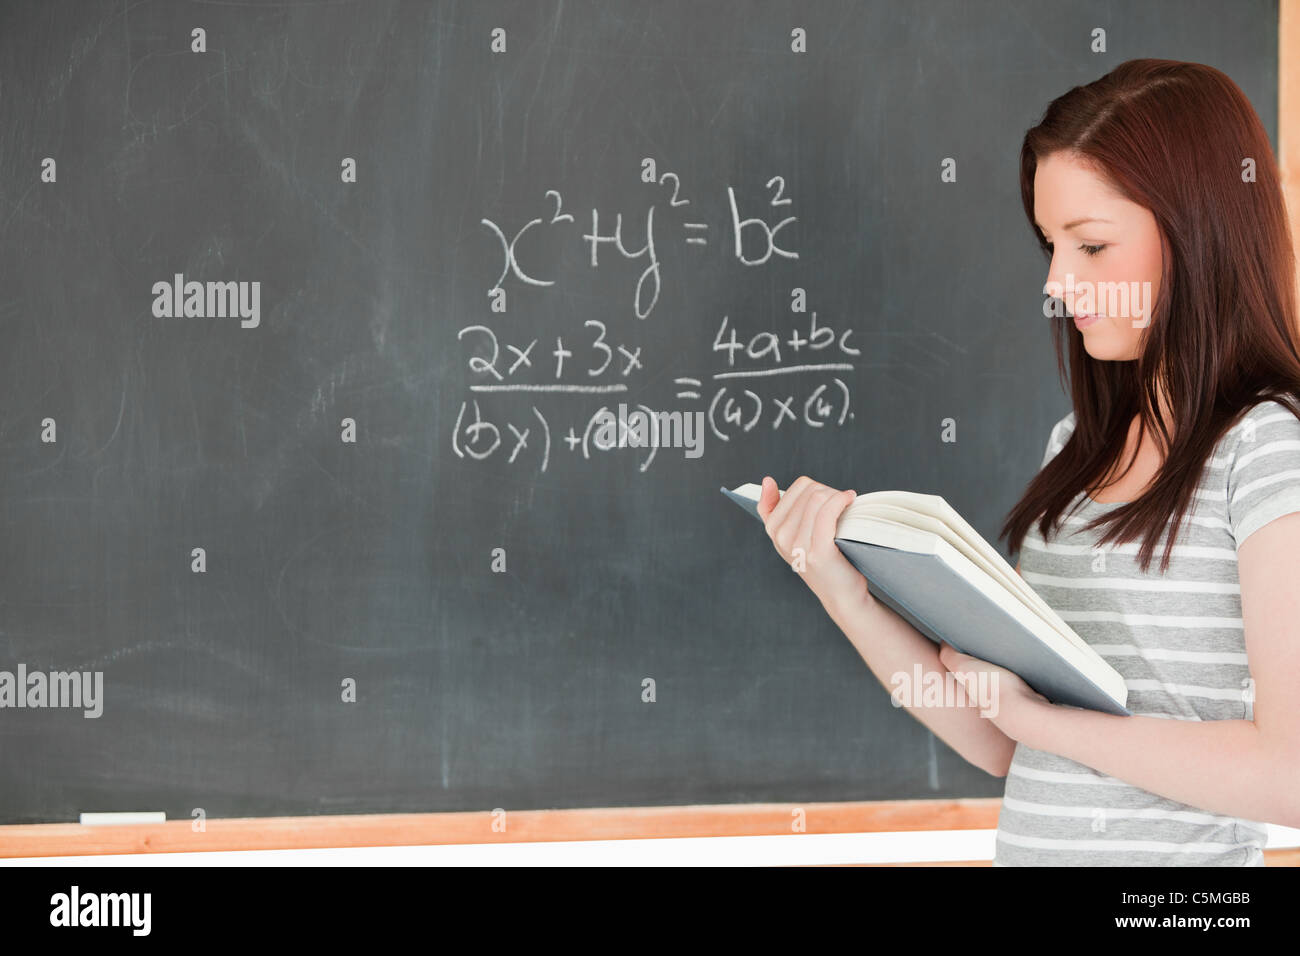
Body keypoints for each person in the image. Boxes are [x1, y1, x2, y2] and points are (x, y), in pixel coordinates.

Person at [757, 59, 1300, 866]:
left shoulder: (1266, 451)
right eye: (1051, 245)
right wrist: (849, 598)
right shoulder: (1075, 449)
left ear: (1198, 233)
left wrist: (1041, 722)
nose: (1057, 282)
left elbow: (1287, 774)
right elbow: (1007, 743)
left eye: (1090, 245)